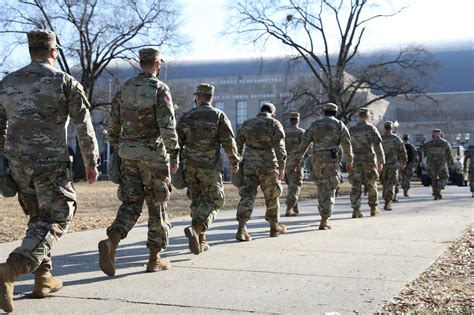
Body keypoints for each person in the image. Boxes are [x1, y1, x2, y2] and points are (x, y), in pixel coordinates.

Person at [0, 29, 99, 312]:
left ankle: (43, 278)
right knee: (58, 217)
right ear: (53, 52)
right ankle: (10, 270)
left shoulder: (7, 83)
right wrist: (91, 162)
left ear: (31, 51)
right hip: (50, 164)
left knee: (37, 219)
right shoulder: (64, 81)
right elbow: (84, 125)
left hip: (18, 166)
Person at [98, 48, 179, 276]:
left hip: (129, 155)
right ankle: (154, 258)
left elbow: (112, 125)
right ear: (157, 65)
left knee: (131, 203)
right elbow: (167, 125)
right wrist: (174, 153)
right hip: (153, 156)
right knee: (157, 204)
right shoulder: (160, 88)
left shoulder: (124, 89)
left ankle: (112, 241)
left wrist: (119, 148)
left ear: (140, 63)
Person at [177, 83, 239, 254]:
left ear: (197, 97)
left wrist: (174, 164)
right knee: (215, 200)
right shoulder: (218, 115)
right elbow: (228, 142)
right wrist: (234, 162)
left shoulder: (186, 116)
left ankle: (200, 240)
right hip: (210, 167)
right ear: (211, 98)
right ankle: (196, 230)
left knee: (197, 201)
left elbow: (176, 143)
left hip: (190, 167)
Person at [293, 103, 353, 230]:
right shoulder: (339, 125)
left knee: (321, 187)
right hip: (331, 161)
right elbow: (347, 145)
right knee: (329, 188)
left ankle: (323, 213)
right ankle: (324, 219)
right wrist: (349, 161)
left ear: (324, 112)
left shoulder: (315, 125)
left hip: (317, 161)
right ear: (335, 113)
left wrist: (297, 159)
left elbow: (304, 143)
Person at [236, 103, 287, 240]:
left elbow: (238, 145)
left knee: (247, 196)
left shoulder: (247, 123)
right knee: (272, 196)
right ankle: (273, 227)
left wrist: (235, 163)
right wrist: (282, 167)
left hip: (249, 166)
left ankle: (241, 228)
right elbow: (280, 148)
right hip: (268, 166)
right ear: (273, 112)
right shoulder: (275, 124)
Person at [348, 108, 385, 218]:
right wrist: (381, 162)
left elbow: (347, 146)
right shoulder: (371, 128)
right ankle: (373, 208)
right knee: (371, 184)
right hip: (369, 160)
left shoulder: (352, 130)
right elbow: (378, 146)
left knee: (356, 185)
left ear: (358, 116)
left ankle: (356, 209)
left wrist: (348, 160)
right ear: (367, 117)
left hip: (355, 160)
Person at [380, 121, 407, 210]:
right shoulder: (396, 139)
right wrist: (403, 162)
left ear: (384, 128)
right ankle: (388, 202)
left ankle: (386, 199)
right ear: (392, 128)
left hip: (382, 164)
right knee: (391, 183)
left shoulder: (380, 138)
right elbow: (402, 151)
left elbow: (375, 151)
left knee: (384, 183)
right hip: (393, 164)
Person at [421, 129, 453, 200]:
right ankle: (438, 188)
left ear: (433, 134)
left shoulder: (429, 143)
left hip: (431, 163)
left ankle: (436, 194)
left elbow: (422, 149)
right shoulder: (444, 143)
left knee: (433, 179)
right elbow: (449, 154)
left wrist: (423, 141)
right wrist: (450, 163)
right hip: (441, 163)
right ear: (440, 133)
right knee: (444, 177)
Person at [284, 112, 305, 216]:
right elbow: (307, 148)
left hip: (285, 162)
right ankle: (289, 208)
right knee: (295, 185)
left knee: (290, 185)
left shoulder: (284, 132)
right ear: (298, 120)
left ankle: (295, 207)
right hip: (296, 162)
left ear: (290, 120)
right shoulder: (301, 132)